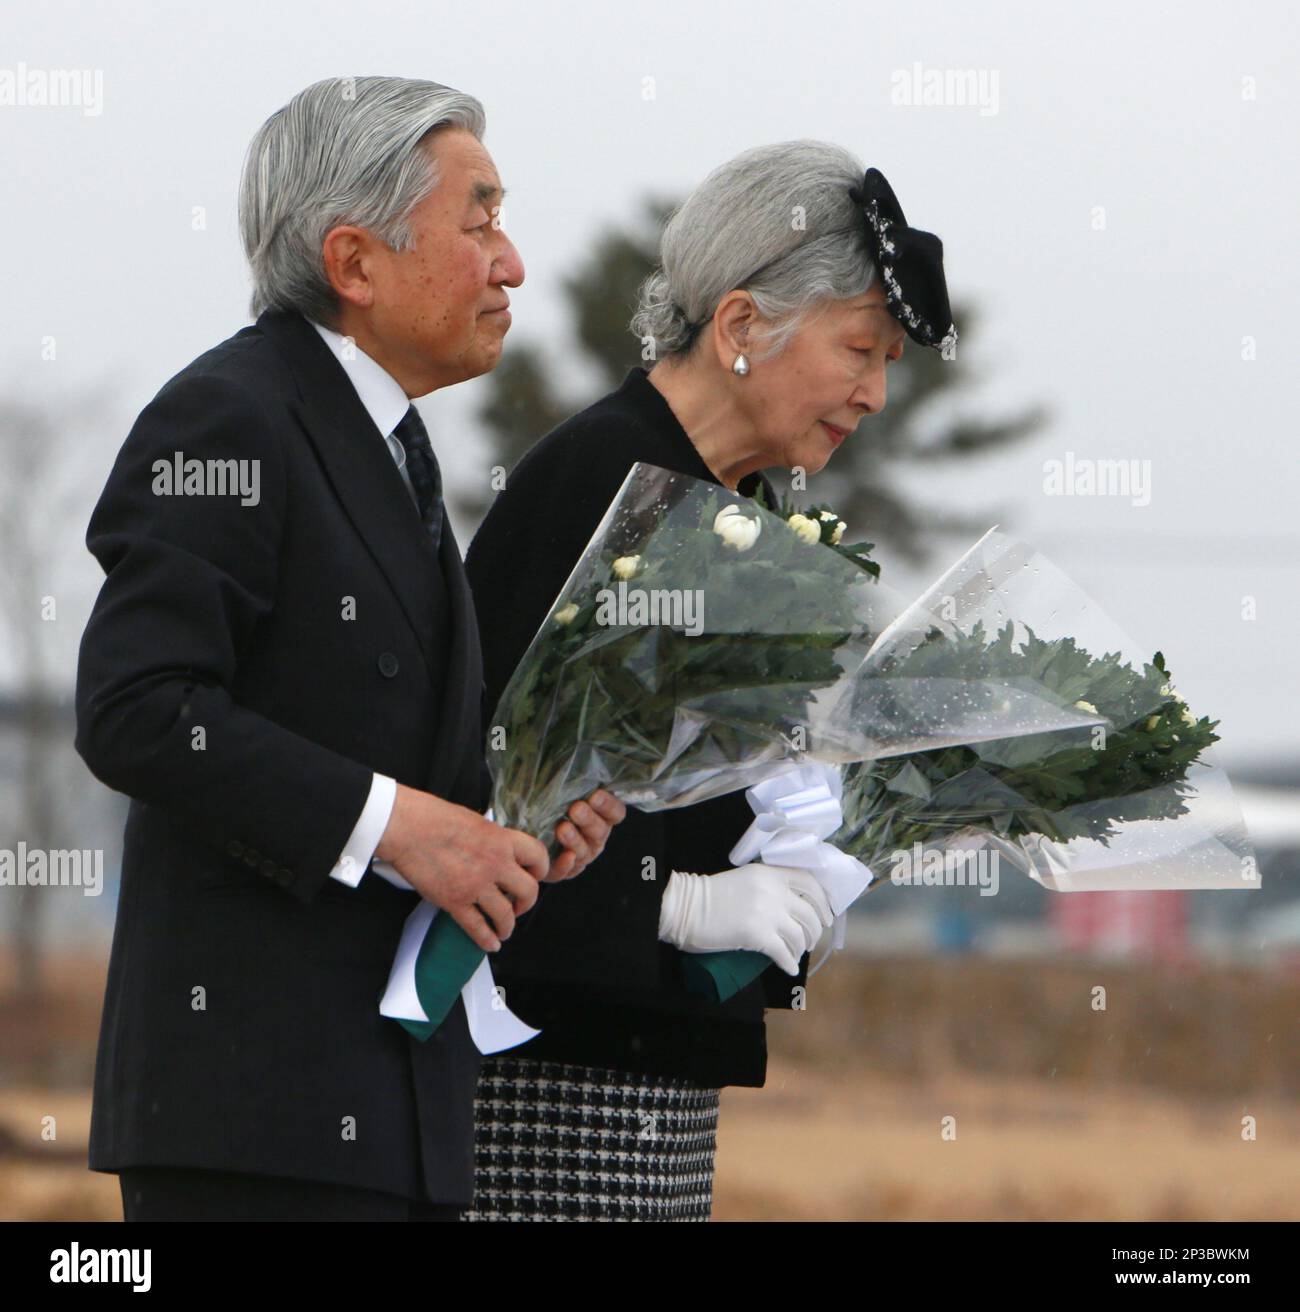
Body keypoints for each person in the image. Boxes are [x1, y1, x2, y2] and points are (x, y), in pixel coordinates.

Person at [73, 75, 625, 1224]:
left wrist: (510, 824)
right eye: (477, 221)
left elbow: (370, 736)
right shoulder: (229, 417)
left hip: (391, 1117)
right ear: (354, 261)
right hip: (252, 1121)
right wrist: (404, 828)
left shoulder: (394, 447)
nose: (510, 261)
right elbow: (137, 705)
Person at [461, 140, 956, 1221]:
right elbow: (489, 787)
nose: (872, 395)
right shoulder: (606, 483)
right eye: (860, 352)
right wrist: (673, 903)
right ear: (740, 326)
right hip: (547, 1087)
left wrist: (814, 860)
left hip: (650, 1081)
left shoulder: (739, 506)